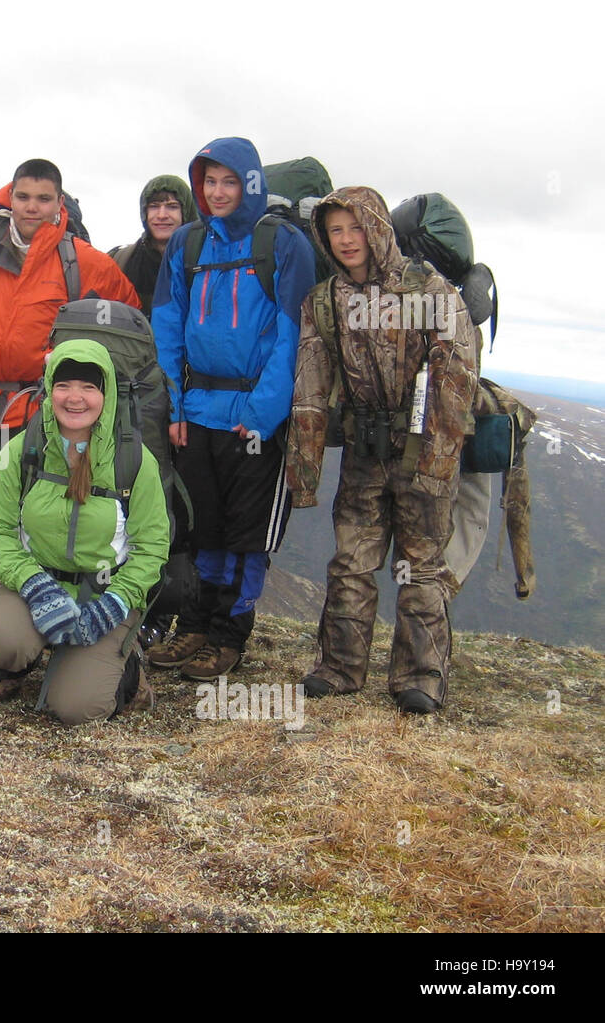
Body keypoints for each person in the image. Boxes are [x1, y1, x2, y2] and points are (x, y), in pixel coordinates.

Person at [287, 186, 478, 714]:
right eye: (335, 231)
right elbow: (309, 384)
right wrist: (302, 472)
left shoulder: (427, 289)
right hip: (364, 447)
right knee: (351, 558)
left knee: (420, 562)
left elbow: (458, 370)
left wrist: (438, 456)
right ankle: (339, 666)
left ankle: (420, 676)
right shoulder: (323, 300)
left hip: (426, 445)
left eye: (354, 227)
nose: (346, 240)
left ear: (376, 227)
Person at [0, 158, 139, 632]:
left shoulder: (80, 259)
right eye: (24, 197)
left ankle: (28, 602)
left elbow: (126, 309)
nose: (32, 207)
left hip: (42, 403)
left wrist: (82, 358)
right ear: (10, 196)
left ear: (58, 203)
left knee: (37, 499)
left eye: (44, 199)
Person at [148, 136, 315, 679]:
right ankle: (194, 626)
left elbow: (292, 335)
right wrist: (173, 405)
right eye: (208, 182)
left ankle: (227, 636)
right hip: (196, 410)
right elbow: (167, 326)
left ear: (251, 183)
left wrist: (264, 414)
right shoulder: (187, 245)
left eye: (229, 181)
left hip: (252, 416)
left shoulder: (285, 244)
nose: (217, 193)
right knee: (200, 529)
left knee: (245, 536)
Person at [0, 340, 169, 723]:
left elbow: (153, 546)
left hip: (104, 594)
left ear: (106, 394)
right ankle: (17, 663)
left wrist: (117, 603)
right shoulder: (22, 452)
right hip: (35, 585)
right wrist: (35, 585)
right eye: (63, 386)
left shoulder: (134, 462)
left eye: (89, 387)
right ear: (48, 390)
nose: (75, 398)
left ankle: (126, 670)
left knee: (76, 709)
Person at [108, 175, 198, 315]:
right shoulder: (120, 261)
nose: (162, 215)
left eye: (172, 207)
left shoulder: (206, 260)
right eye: (154, 206)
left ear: (186, 212)